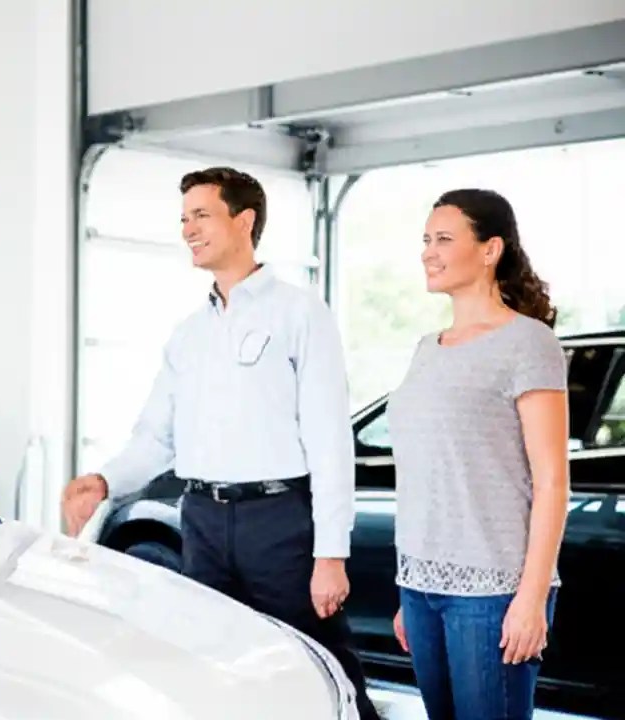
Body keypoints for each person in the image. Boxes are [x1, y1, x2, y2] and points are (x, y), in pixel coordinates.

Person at [62, 166, 379, 720]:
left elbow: (330, 442)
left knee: (323, 668)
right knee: (218, 673)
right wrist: (104, 480)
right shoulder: (189, 334)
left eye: (201, 215)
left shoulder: (300, 313)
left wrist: (331, 554)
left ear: (245, 220)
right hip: (203, 523)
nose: (187, 228)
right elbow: (156, 437)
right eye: (183, 218)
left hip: (279, 522)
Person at [386, 188, 569, 719]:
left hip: (492, 594)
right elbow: (429, 472)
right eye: (426, 240)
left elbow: (553, 481)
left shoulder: (528, 343)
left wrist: (532, 599)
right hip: (421, 588)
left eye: (444, 238)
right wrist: (412, 588)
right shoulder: (426, 348)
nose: (428, 251)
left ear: (490, 250)